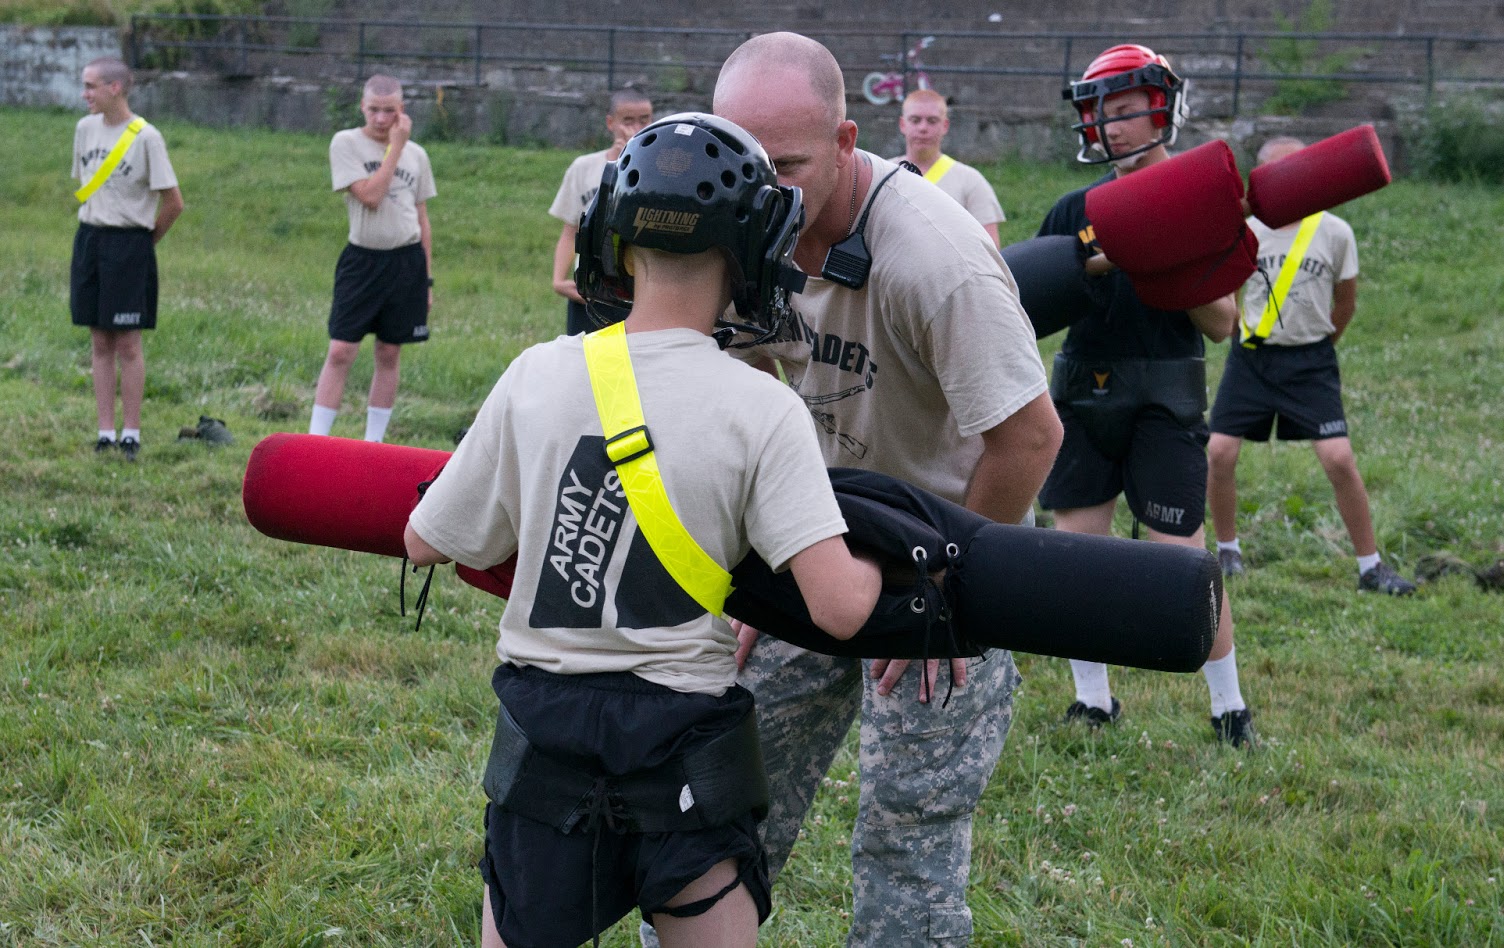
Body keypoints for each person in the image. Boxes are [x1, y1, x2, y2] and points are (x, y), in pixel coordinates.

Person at [404, 113, 884, 948]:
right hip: (682, 758)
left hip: (545, 746)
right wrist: (900, 564)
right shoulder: (763, 409)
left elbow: (430, 540)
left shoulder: (537, 374)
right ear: (754, 250)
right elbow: (840, 609)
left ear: (612, 241)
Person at [704, 31, 1062, 945]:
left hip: (948, 551)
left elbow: (1029, 437)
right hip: (821, 540)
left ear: (848, 141)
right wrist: (767, 547)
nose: (765, 188)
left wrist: (944, 591)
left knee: (907, 842)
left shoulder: (934, 261)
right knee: (721, 803)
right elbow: (744, 388)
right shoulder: (748, 226)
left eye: (787, 165)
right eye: (747, 163)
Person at [1036, 43, 1258, 746]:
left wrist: (1163, 248)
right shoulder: (1074, 207)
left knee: (1181, 560)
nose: (1115, 126)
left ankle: (1229, 709)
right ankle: (1093, 701)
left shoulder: (1200, 199)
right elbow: (1034, 309)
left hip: (1166, 396)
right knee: (1077, 559)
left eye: (1128, 110)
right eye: (1104, 113)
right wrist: (1094, 261)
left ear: (1162, 107)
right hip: (1082, 392)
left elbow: (1223, 324)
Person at [1207, 136, 1418, 596]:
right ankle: (1228, 550)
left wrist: (1317, 346)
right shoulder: (1248, 231)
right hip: (1252, 359)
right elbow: (1232, 294)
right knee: (1219, 452)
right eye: (1276, 175)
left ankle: (1370, 567)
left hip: (1310, 362)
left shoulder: (1336, 232)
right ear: (1258, 180)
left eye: (1298, 172)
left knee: (1338, 459)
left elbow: (1345, 303)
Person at [309, 74, 435, 443]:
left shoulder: (418, 154)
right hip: (363, 260)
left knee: (389, 350)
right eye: (374, 110)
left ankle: (373, 442)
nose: (381, 119)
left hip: (406, 261)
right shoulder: (346, 143)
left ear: (402, 110)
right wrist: (395, 147)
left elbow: (422, 218)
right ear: (362, 107)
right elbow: (370, 196)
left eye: (390, 111)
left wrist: (426, 279)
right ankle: (317, 440)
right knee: (341, 350)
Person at [71, 56, 184, 462]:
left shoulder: (146, 137)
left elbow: (174, 202)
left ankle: (131, 432)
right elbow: (86, 187)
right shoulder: (84, 130)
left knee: (128, 344)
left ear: (114, 88)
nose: (84, 94)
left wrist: (144, 242)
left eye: (90, 86)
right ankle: (105, 431)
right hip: (90, 240)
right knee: (99, 339)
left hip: (129, 244)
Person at [548, 88, 653, 336]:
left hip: (639, 292)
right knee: (584, 365)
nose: (636, 127)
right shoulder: (584, 167)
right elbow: (570, 229)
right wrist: (558, 279)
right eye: (628, 121)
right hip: (590, 290)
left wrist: (637, 158)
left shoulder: (657, 172)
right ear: (611, 123)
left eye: (645, 120)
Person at [890, 89, 1005, 246]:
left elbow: (990, 249)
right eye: (915, 120)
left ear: (945, 125)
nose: (923, 128)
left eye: (932, 121)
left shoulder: (971, 180)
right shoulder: (882, 174)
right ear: (903, 124)